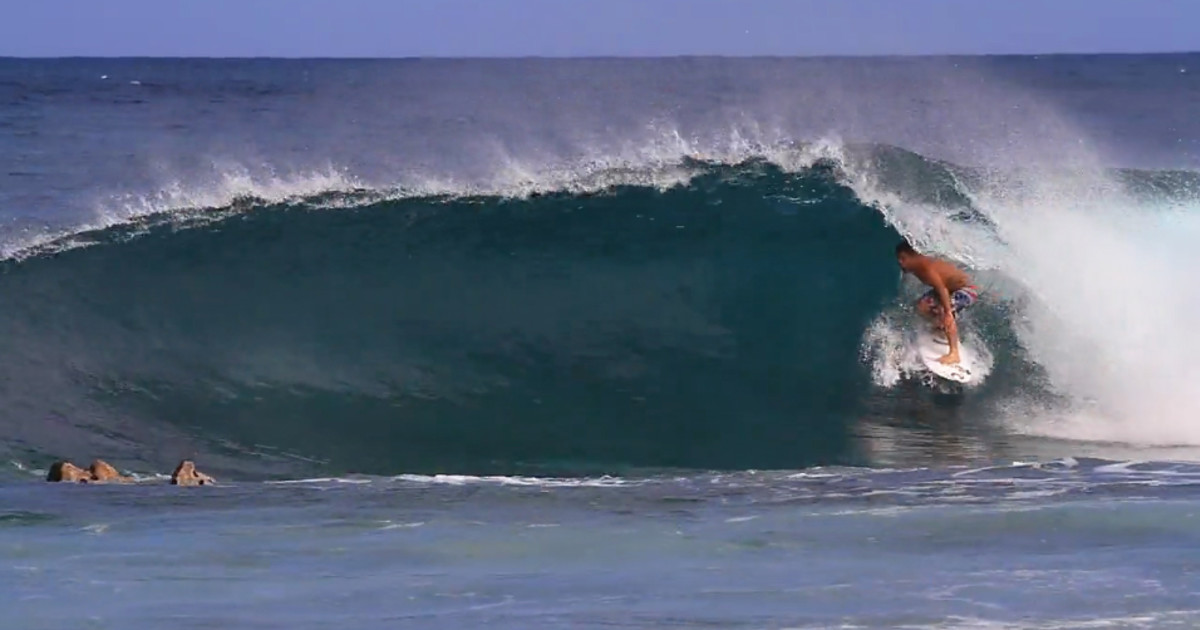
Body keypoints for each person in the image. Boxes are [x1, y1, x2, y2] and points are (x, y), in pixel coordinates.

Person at [894, 240, 979, 365]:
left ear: (914, 256)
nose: (900, 262)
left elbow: (942, 289)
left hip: (967, 290)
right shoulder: (915, 268)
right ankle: (941, 329)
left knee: (945, 312)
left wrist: (948, 312)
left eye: (903, 258)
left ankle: (954, 353)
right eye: (898, 259)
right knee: (922, 306)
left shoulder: (925, 267)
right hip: (949, 289)